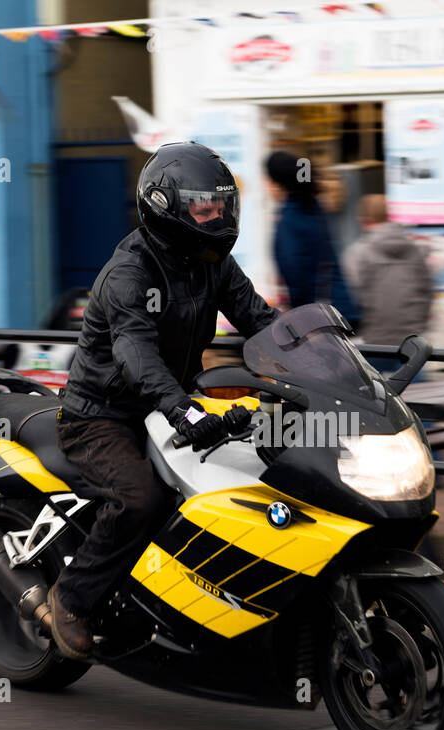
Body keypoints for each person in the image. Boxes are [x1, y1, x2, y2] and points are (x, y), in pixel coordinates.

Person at [50, 142, 280, 660]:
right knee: (141, 499)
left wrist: (325, 358)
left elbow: (260, 321)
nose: (217, 215)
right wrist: (184, 409)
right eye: (205, 207)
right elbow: (135, 354)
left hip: (169, 405)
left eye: (223, 205)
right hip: (102, 415)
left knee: (240, 485)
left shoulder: (213, 262)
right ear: (166, 207)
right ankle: (72, 596)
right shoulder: (128, 274)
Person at [341, 193, 434, 374]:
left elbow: (350, 295)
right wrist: (418, 326)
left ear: (363, 219)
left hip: (374, 342)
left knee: (370, 396)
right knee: (417, 396)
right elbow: (427, 291)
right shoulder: (414, 250)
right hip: (411, 341)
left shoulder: (359, 253)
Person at [264, 150, 360, 323]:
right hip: (341, 308)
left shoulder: (290, 220)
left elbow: (297, 277)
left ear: (278, 183)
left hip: (319, 319)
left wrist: (298, 318)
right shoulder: (314, 208)